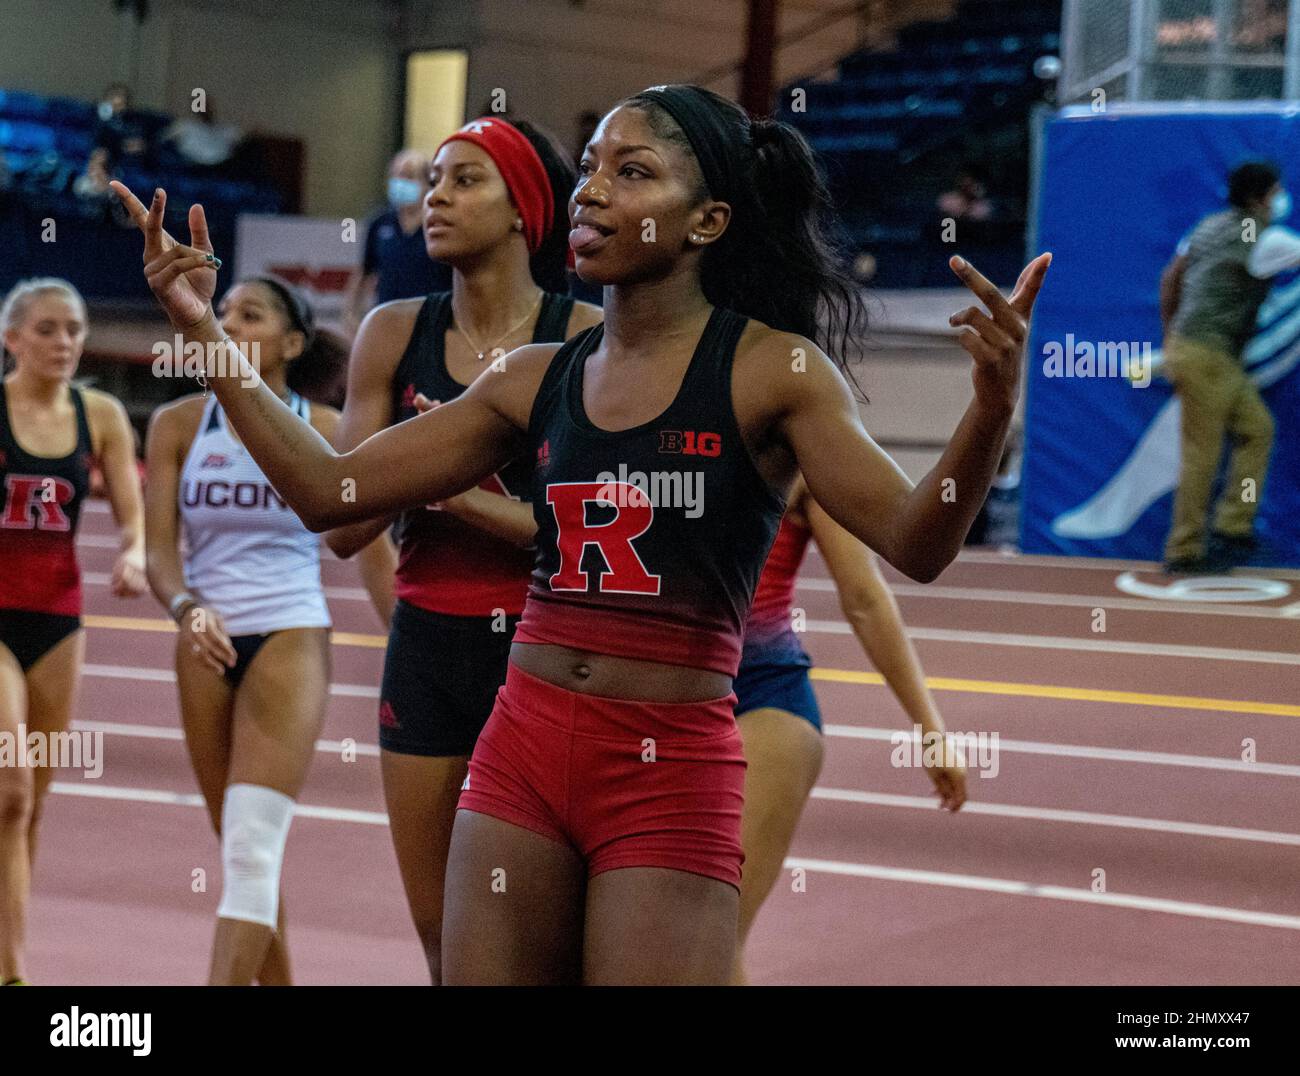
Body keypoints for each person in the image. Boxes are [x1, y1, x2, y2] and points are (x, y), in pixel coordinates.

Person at [111, 82, 1049, 985]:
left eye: (633, 172)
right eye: (592, 166)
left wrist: (990, 408)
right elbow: (333, 492)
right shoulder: (533, 376)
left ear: (707, 222)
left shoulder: (776, 371)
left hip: (667, 761)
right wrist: (207, 335)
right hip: (522, 744)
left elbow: (916, 544)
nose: (593, 189)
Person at [326, 117, 601, 981]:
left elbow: (583, 535)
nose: (435, 197)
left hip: (545, 657)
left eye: (465, 180)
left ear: (525, 210)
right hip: (427, 651)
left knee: (546, 943)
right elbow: (343, 522)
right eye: (433, 178)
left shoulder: (588, 333)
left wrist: (443, 484)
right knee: (445, 938)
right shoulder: (392, 331)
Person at [142, 276, 343, 985]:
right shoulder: (177, 426)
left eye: (248, 315)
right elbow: (160, 553)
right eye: (221, 312)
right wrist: (184, 607)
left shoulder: (324, 429)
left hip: (289, 629)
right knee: (239, 848)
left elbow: (367, 544)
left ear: (292, 343)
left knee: (254, 847)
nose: (226, 324)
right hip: (203, 636)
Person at [730, 474, 966, 984]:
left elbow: (864, 596)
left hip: (763, 698)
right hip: (650, 704)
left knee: (711, 936)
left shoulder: (803, 449)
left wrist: (930, 729)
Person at [0, 279, 147, 987]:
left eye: (75, 330)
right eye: (49, 329)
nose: (65, 343)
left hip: (58, 620)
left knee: (31, 809)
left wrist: (133, 549)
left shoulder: (104, 415)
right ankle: (17, 970)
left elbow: (129, 505)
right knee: (11, 789)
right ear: (13, 339)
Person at [1159, 160, 1300, 572]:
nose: (1280, 200)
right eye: (1275, 193)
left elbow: (1171, 279)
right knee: (1202, 454)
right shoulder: (1268, 240)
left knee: (1258, 430)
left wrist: (1171, 339)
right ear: (1259, 199)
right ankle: (1184, 551)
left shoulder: (1205, 228)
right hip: (1208, 352)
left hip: (1201, 350)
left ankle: (1232, 528)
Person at [344, 151, 453, 335]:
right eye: (396, 175)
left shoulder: (441, 223)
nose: (400, 182)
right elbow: (363, 271)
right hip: (387, 323)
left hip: (433, 325)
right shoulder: (380, 223)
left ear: (427, 183)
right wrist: (350, 314)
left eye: (409, 176)